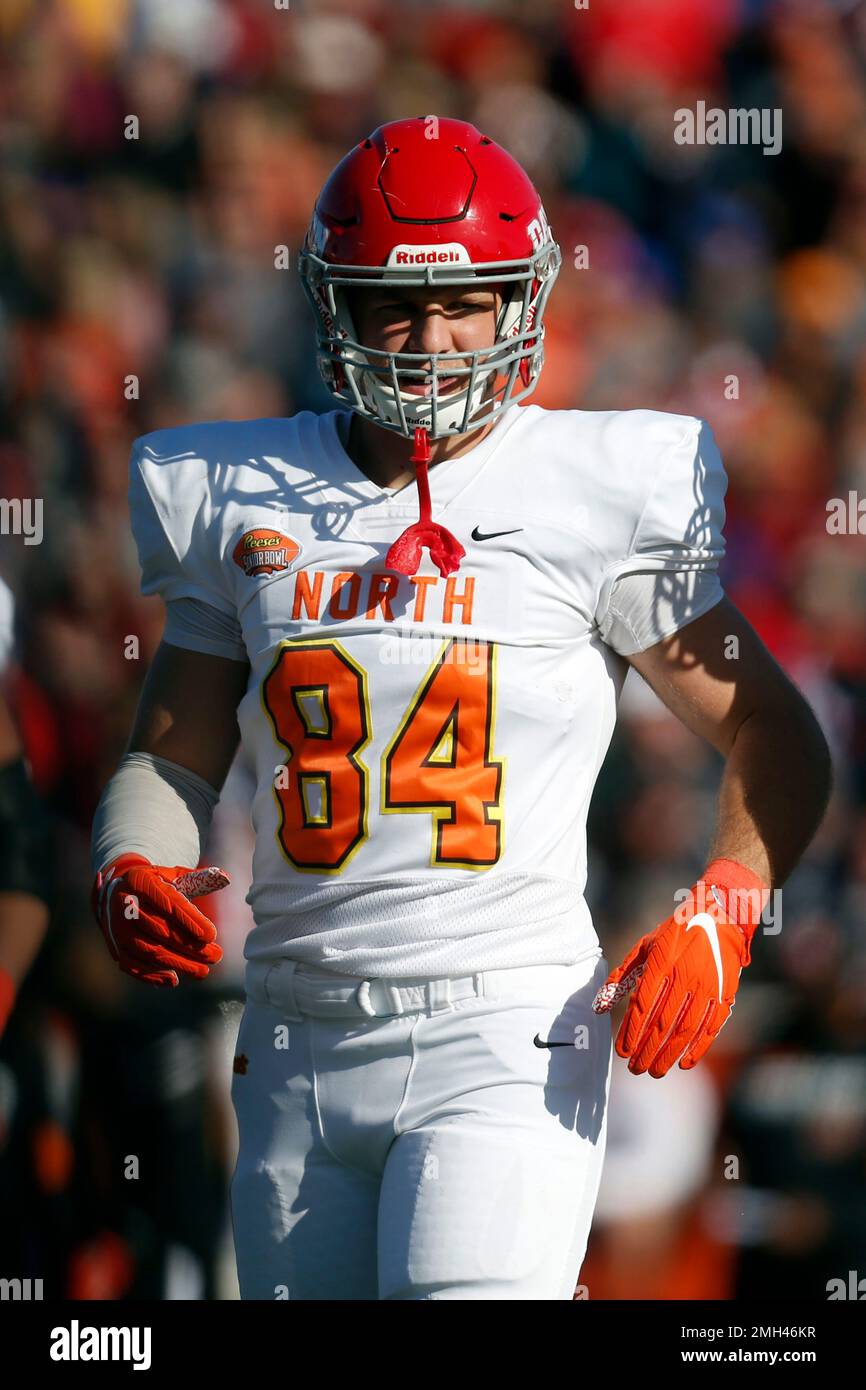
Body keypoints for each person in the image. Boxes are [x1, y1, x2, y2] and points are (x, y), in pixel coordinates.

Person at [90, 117, 831, 1300]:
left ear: (522, 299)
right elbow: (169, 758)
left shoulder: (585, 487)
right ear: (336, 305)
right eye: (393, 305)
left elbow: (770, 728)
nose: (431, 341)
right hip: (291, 1030)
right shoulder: (233, 489)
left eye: (467, 302)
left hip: (503, 1030)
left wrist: (725, 905)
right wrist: (131, 855)